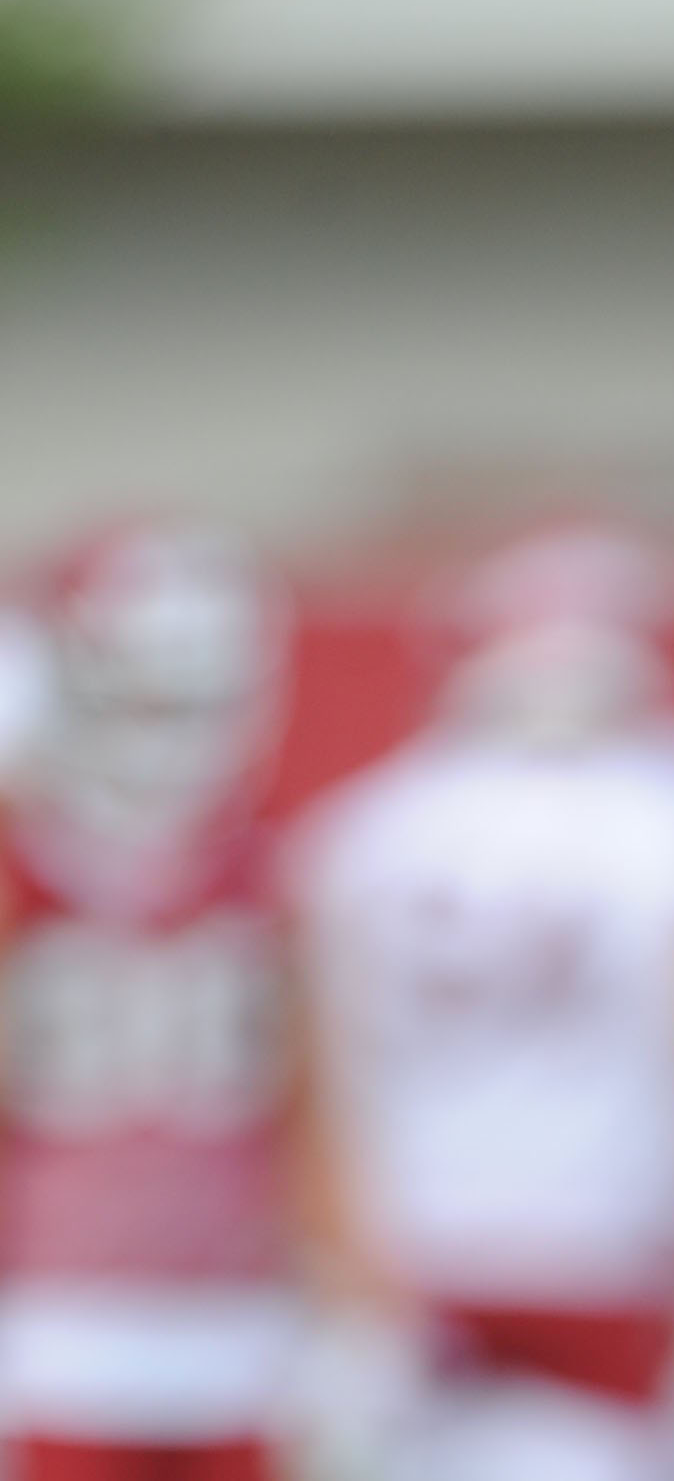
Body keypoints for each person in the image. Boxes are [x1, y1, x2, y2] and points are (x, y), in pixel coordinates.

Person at [289, 528, 674, 1481]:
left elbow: (311, 1089)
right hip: (620, 1256)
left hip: (417, 1262)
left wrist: (347, 1270)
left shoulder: (360, 829)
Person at [0, 522, 302, 1481]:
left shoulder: (278, 870)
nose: (161, 727)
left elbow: (319, 1100)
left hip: (235, 1322)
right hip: (55, 1327)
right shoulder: (22, 874)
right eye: (132, 695)